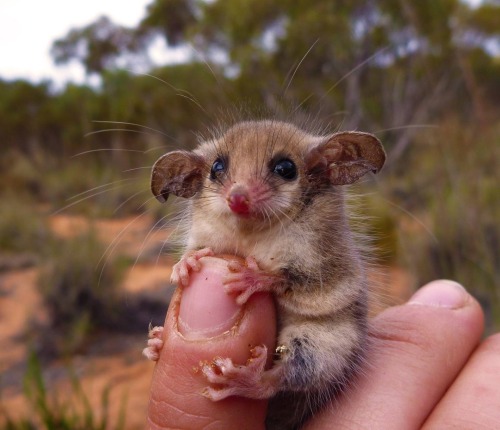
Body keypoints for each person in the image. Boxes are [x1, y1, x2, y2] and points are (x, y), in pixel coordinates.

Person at [147, 265, 500, 429]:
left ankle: (266, 380)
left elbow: (332, 288)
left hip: (309, 342)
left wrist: (274, 279)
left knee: (322, 346)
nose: (239, 194)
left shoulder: (318, 233)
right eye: (220, 171)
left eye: (283, 170)